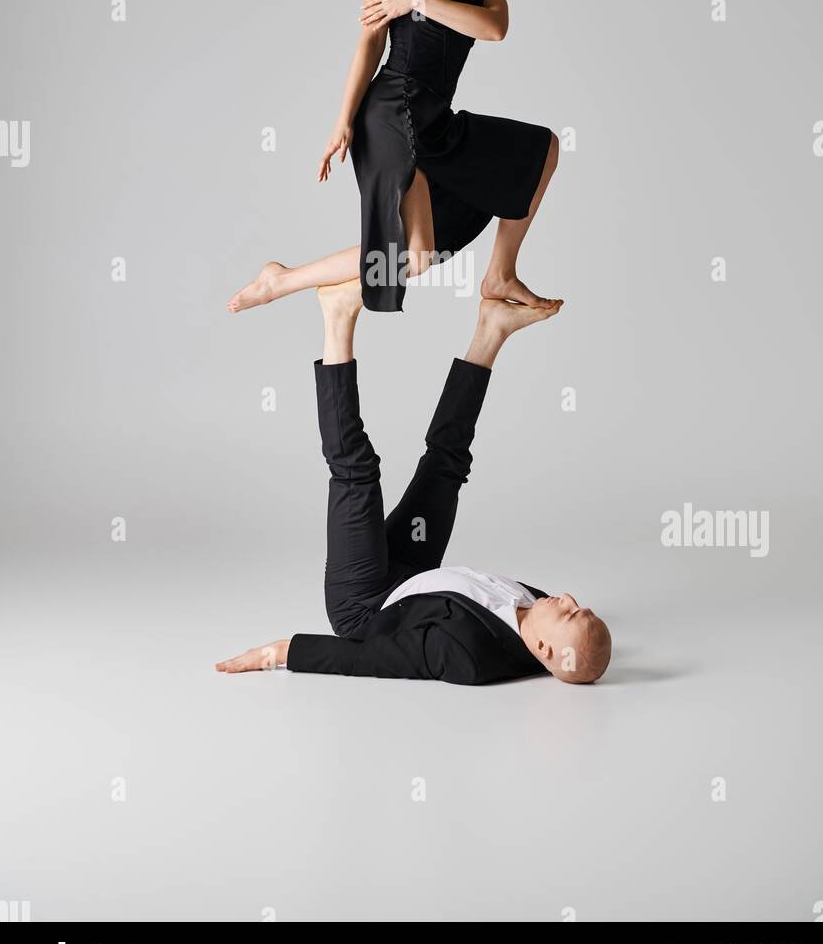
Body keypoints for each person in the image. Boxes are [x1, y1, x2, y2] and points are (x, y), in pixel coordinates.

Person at [216, 279, 611, 686]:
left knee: (357, 471)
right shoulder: (539, 612)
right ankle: (491, 330)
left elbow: (373, 658)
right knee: (447, 465)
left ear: (545, 649)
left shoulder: (467, 657)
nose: (568, 598)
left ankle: (337, 318)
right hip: (413, 573)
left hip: (365, 602)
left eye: (569, 612)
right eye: (579, 606)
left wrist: (282, 652)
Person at [227, 0, 561, 316]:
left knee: (540, 149)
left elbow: (495, 27)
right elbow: (368, 44)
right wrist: (342, 122)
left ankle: (501, 273)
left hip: (436, 119)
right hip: (389, 111)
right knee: (417, 256)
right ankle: (281, 280)